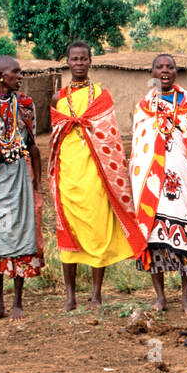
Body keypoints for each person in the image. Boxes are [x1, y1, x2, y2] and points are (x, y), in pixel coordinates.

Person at [49, 41, 145, 310]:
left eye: (83, 59)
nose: (79, 63)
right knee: (69, 233)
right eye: (74, 59)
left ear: (91, 62)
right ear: (67, 62)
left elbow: (111, 139)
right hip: (68, 174)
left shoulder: (101, 95)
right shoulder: (58, 98)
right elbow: (55, 139)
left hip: (97, 174)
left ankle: (96, 293)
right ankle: (70, 295)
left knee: (97, 231)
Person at [131, 53, 187, 316]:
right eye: (159, 67)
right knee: (154, 239)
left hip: (182, 177)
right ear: (152, 72)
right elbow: (139, 145)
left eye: (169, 67)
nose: (164, 71)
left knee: (185, 239)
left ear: (176, 71)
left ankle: (186, 299)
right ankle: (161, 297)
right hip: (152, 181)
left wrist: (177, 124)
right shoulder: (144, 107)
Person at [0, 55, 43, 322]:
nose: (20, 76)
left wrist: (37, 183)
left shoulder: (24, 104)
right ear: (1, 76)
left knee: (20, 235)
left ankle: (18, 302)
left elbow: (33, 144)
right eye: (15, 72)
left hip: (20, 177)